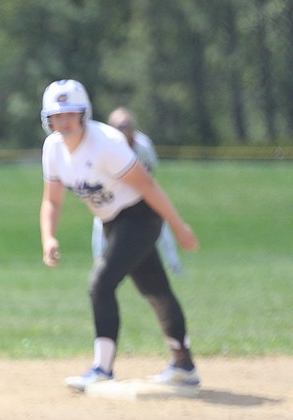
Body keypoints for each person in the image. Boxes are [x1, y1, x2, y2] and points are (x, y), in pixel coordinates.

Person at [37, 79, 200, 392]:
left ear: (84, 114)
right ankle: (184, 366)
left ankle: (103, 367)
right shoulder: (53, 148)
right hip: (113, 222)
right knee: (155, 289)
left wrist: (179, 227)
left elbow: (148, 186)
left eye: (70, 114)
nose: (64, 121)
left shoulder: (106, 142)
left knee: (101, 285)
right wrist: (49, 238)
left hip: (140, 216)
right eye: (57, 116)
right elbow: (52, 200)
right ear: (48, 120)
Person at [91, 107, 183, 276]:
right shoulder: (106, 146)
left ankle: (175, 265)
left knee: (161, 227)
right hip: (113, 195)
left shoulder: (143, 145)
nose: (123, 129)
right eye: (119, 126)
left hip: (140, 193)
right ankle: (99, 267)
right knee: (100, 226)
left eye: (126, 125)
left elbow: (150, 169)